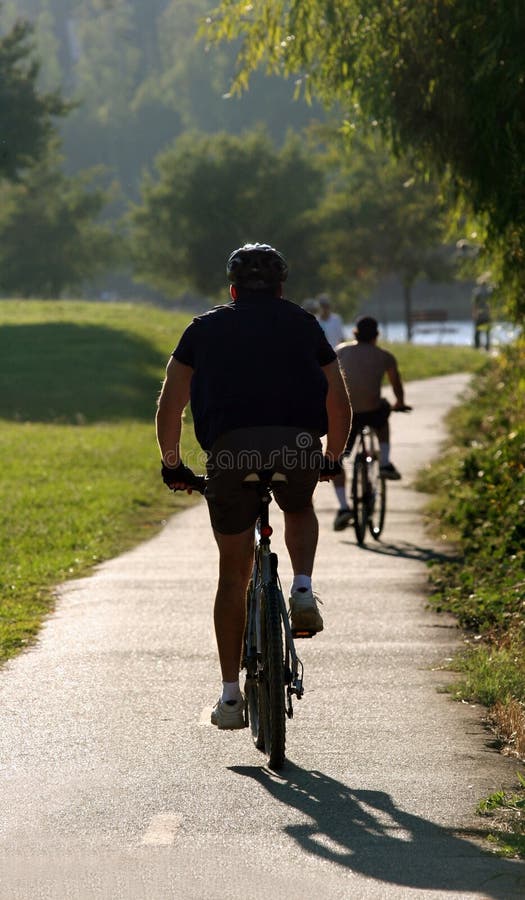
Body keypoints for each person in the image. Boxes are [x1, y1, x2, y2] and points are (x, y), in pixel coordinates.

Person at [156, 243, 351, 729]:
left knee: (232, 573)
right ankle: (302, 588)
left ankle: (229, 698)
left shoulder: (202, 329)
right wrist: (331, 457)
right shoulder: (306, 325)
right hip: (297, 445)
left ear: (232, 289)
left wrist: (174, 464)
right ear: (282, 288)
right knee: (299, 506)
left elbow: (171, 405)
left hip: (230, 451)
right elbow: (338, 402)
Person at [331, 315, 408, 531]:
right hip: (372, 412)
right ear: (376, 335)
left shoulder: (341, 351)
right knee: (384, 411)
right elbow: (396, 384)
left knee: (335, 460)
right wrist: (400, 403)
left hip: (345, 415)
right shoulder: (384, 356)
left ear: (355, 332)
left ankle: (344, 507)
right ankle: (384, 462)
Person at [472, 281, 492, 350]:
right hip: (487, 314)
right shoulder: (489, 292)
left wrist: (474, 314)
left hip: (479, 314)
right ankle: (487, 346)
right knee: (487, 332)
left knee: (477, 331)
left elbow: (475, 304)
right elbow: (491, 304)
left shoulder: (477, 292)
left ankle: (477, 345)